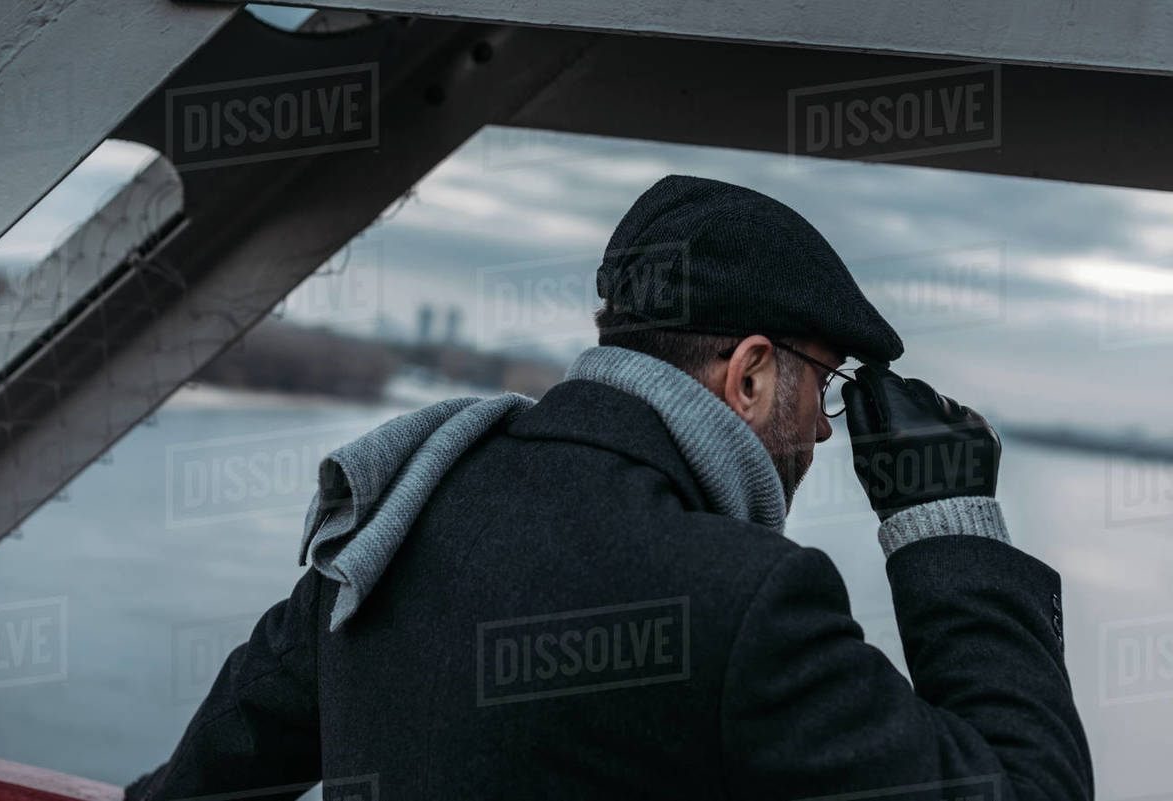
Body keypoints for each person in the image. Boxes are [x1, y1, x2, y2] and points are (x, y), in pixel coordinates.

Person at [124, 175, 1092, 801]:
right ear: (751, 374)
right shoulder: (744, 603)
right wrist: (944, 523)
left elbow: (205, 783)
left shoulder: (408, 507)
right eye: (824, 385)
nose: (823, 429)